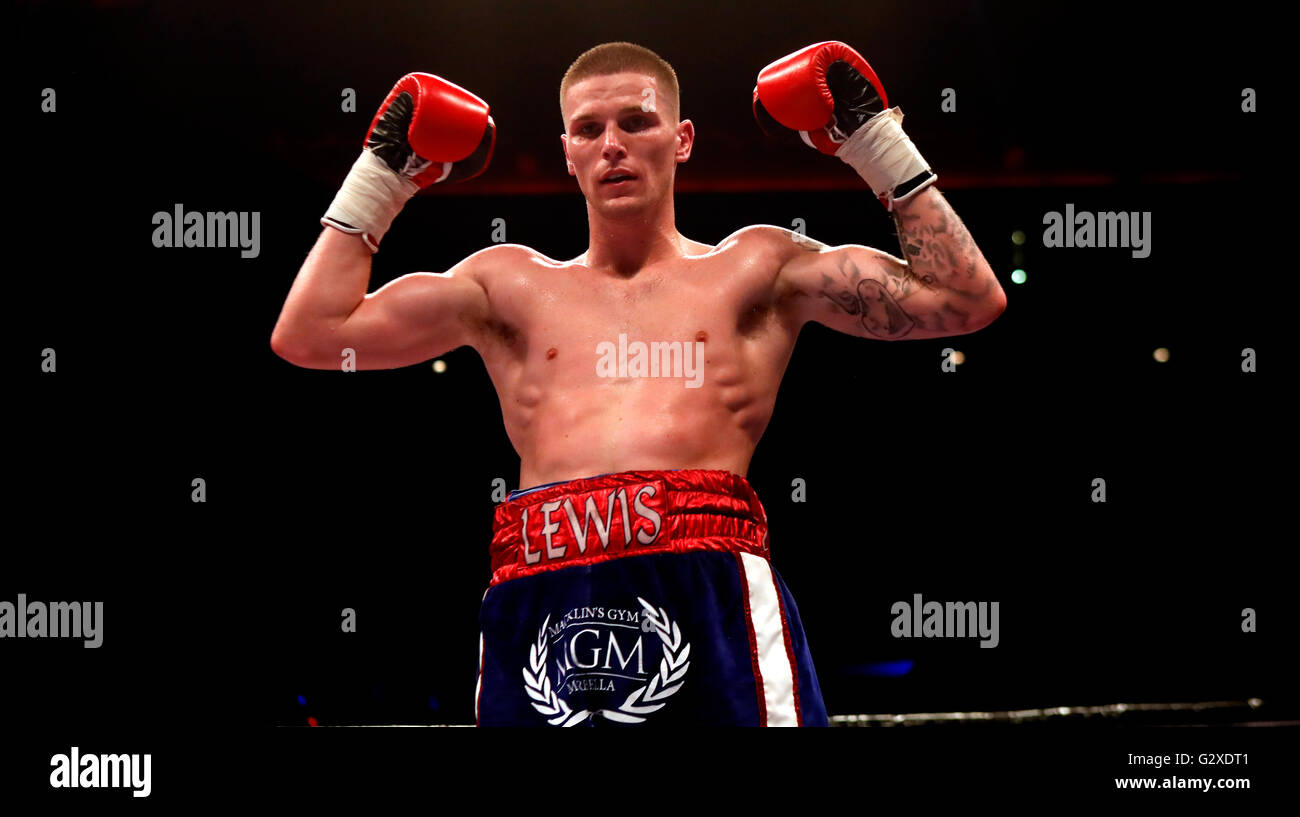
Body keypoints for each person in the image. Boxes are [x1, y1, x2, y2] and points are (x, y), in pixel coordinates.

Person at [271, 41, 1006, 726]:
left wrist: (871, 138)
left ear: (682, 139)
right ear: (566, 153)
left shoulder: (757, 268)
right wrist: (384, 173)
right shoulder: (504, 285)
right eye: (587, 129)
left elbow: (965, 301)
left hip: (708, 588)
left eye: (635, 121)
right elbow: (310, 335)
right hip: (541, 593)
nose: (611, 144)